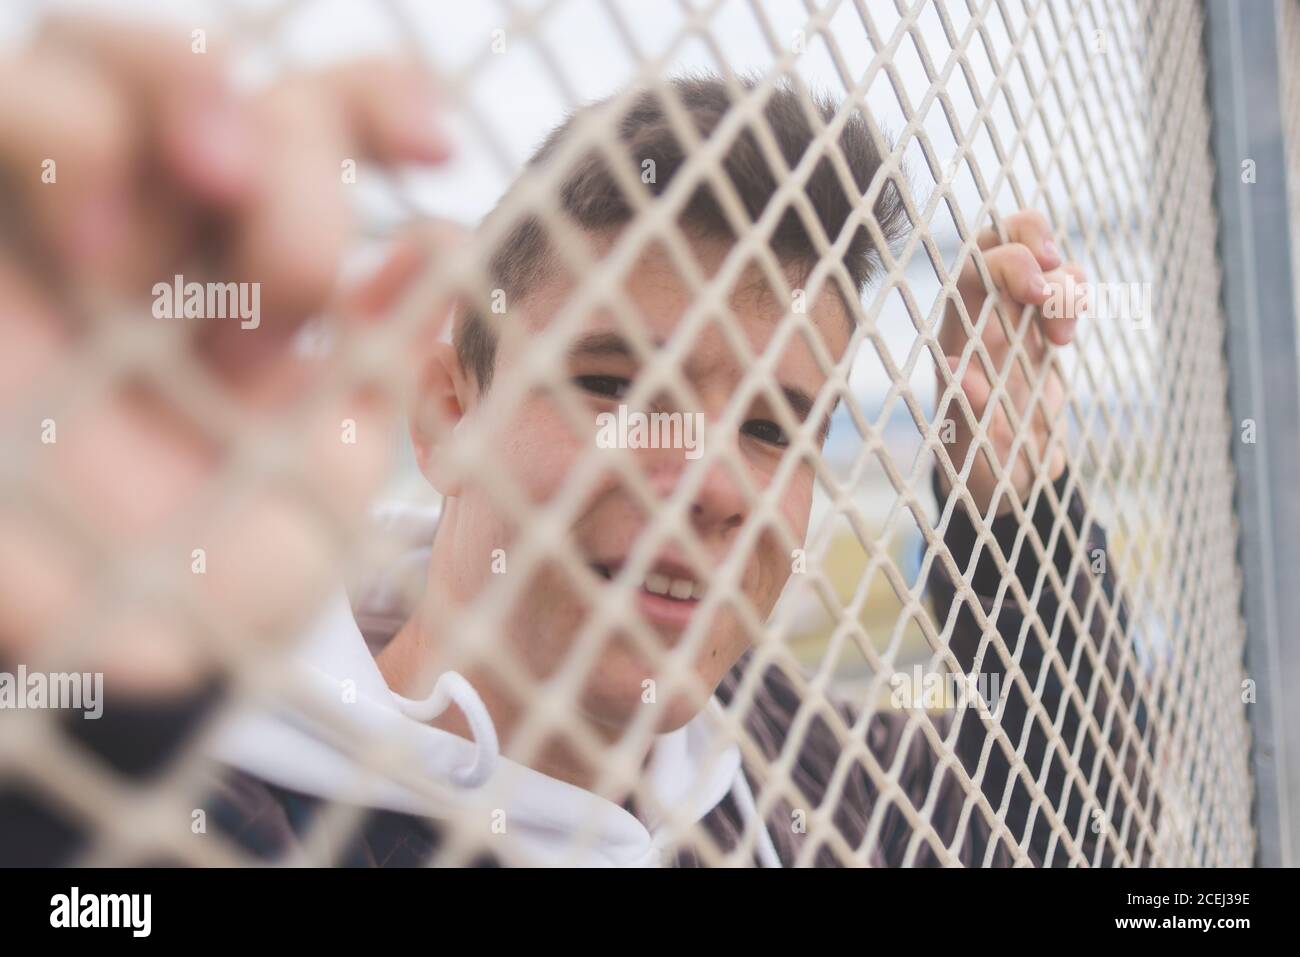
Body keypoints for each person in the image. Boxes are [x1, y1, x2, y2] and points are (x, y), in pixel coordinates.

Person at [0, 17, 1154, 867]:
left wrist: (1015, 506)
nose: (706, 484)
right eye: (614, 384)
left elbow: (1076, 818)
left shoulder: (777, 758)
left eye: (769, 427)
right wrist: (101, 673)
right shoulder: (228, 799)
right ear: (449, 409)